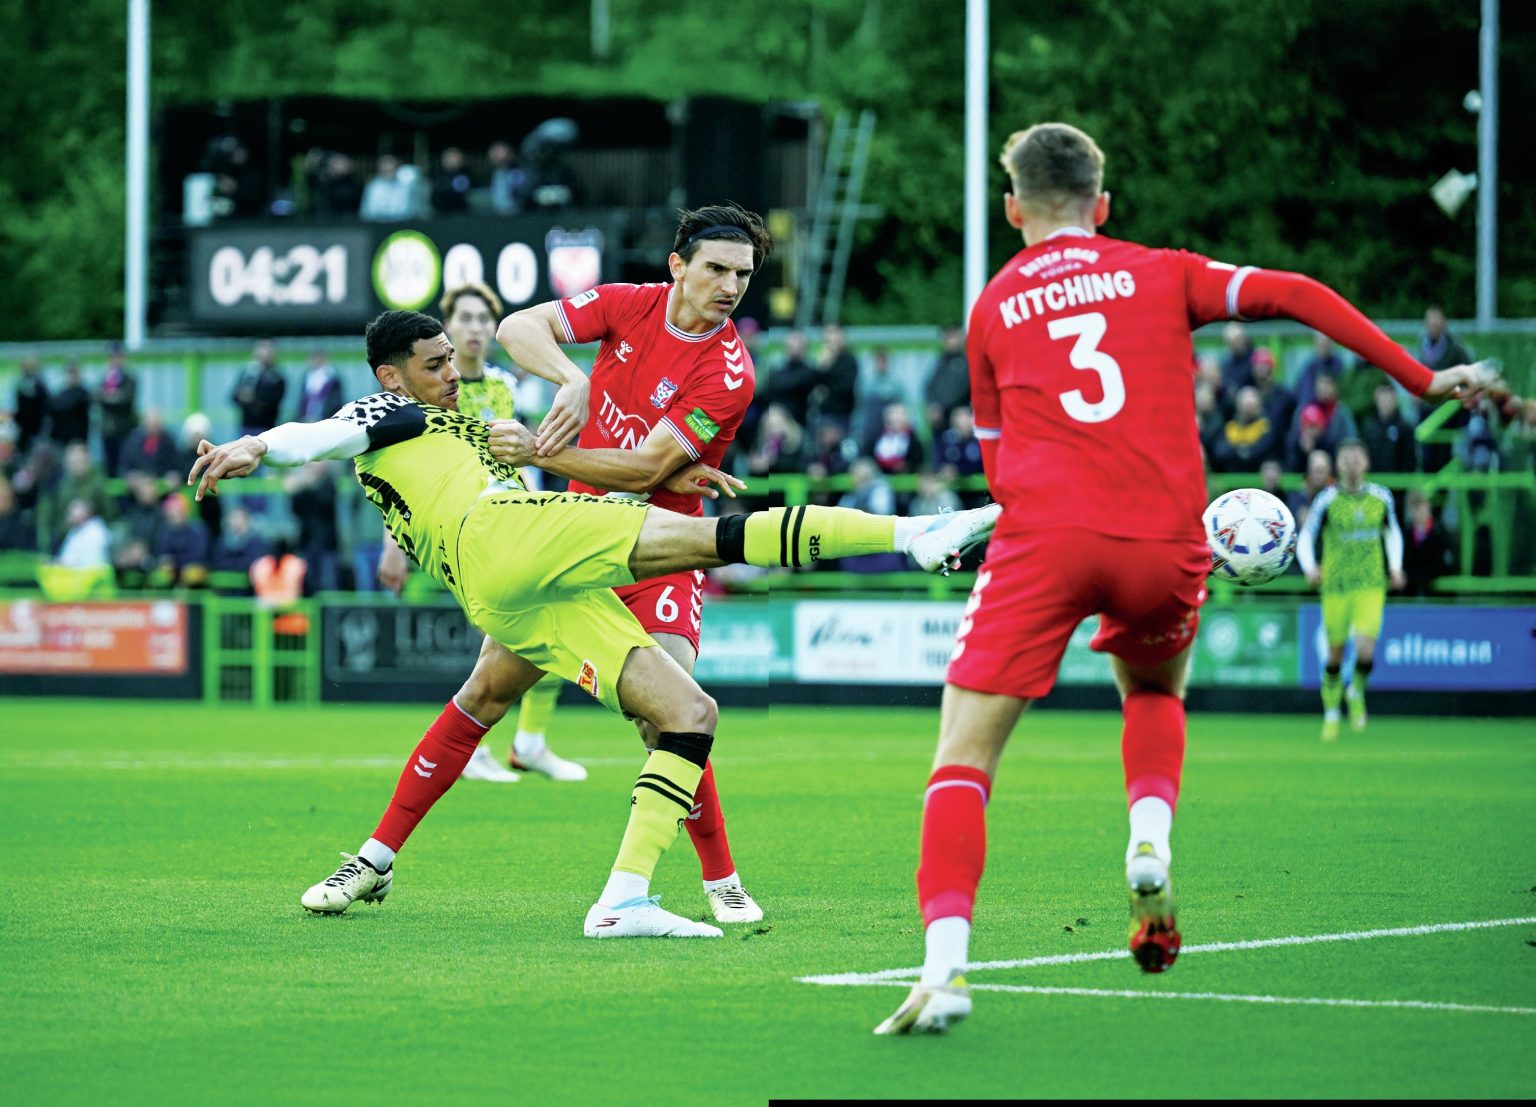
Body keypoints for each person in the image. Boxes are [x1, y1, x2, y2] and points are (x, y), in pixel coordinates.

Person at [874, 121, 1490, 1036]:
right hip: (1164, 540)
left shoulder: (994, 306)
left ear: (1013, 210)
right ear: (1104, 205)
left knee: (963, 756)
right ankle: (1150, 834)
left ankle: (947, 968)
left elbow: (1002, 474)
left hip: (1046, 538)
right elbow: (1293, 292)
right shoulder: (1161, 270)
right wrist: (1419, 376)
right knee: (1155, 689)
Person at [188, 310, 999, 939]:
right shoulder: (392, 411)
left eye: (450, 362)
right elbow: (323, 434)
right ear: (390, 375)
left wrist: (672, 469)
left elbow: (568, 492)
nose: (450, 376)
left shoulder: (464, 430)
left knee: (687, 714)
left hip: (511, 588)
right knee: (707, 540)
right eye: (434, 365)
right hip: (498, 538)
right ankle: (909, 534)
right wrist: (257, 445)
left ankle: (623, 897)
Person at [376, 280, 584, 786]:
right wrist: (391, 546)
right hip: (459, 529)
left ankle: (525, 741)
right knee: (518, 629)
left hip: (509, 521)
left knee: (545, 616)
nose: (475, 329)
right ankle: (488, 744)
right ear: (446, 330)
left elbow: (514, 455)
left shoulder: (500, 387)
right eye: (464, 319)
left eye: (483, 320)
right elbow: (406, 468)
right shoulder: (425, 390)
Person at [1296, 440, 1404, 741]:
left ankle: (1356, 691)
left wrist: (1395, 566)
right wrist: (1310, 567)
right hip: (1336, 587)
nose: (1353, 464)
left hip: (1370, 585)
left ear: (1367, 463)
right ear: (1338, 465)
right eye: (1347, 459)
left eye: (1358, 458)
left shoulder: (1381, 497)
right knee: (1335, 654)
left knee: (1366, 650)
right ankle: (1331, 712)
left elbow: (1392, 531)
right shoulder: (1326, 501)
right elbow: (1306, 537)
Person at [97, 344, 138, 478]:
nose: (114, 361)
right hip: (107, 433)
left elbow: (125, 399)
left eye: (117, 357)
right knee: (109, 468)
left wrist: (109, 397)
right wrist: (113, 397)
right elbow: (97, 396)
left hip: (124, 431)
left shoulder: (129, 379)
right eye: (111, 358)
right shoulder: (104, 378)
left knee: (125, 466)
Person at [232, 340, 287, 437]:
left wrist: (253, 398)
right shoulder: (247, 374)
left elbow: (273, 401)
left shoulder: (276, 377)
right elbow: (233, 396)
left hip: (267, 427)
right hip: (246, 426)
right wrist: (242, 396)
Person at [924, 327, 970, 433]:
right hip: (941, 416)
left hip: (960, 412)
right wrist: (933, 405)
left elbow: (962, 389)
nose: (952, 341)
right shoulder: (940, 361)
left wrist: (943, 407)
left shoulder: (966, 362)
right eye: (948, 338)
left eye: (954, 337)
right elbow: (930, 386)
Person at [359, 155, 421, 222]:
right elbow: (368, 211)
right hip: (377, 225)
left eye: (391, 169)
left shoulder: (404, 186)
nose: (389, 172)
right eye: (386, 170)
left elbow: (409, 210)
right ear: (380, 170)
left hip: (400, 224)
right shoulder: (373, 186)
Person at [295, 350, 345, 423]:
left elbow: (335, 401)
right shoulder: (307, 375)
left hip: (324, 418)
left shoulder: (332, 377)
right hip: (307, 417)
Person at [49, 363, 92, 448]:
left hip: (77, 437)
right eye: (69, 373)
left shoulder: (82, 393)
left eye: (74, 373)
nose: (71, 376)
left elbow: (64, 407)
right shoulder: (62, 392)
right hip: (61, 437)